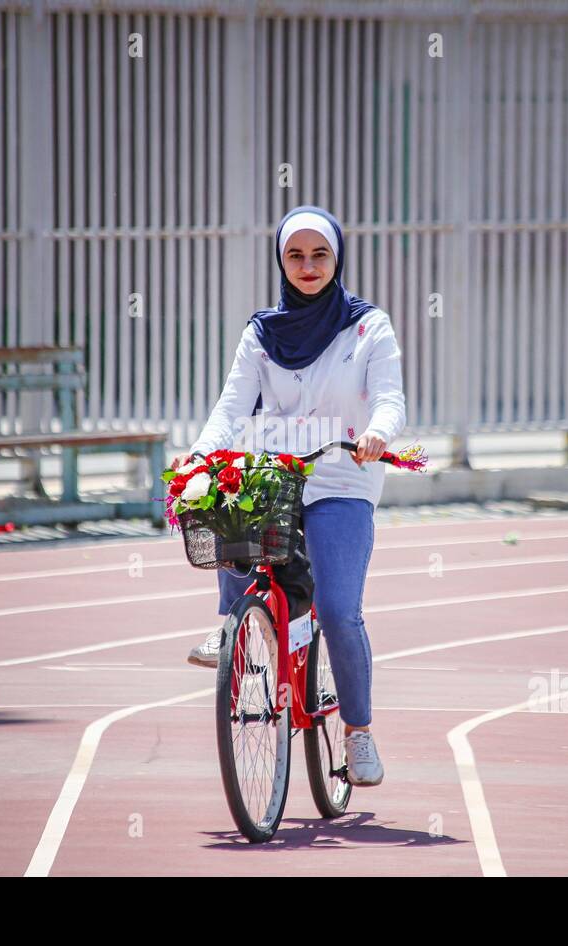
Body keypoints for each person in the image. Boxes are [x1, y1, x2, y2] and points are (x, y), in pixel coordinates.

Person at [174, 205, 407, 786]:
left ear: (337, 258)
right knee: (222, 503)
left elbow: (389, 397)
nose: (308, 266)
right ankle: (233, 622)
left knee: (336, 609)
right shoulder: (261, 331)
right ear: (280, 259)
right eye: (295, 255)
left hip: (343, 477)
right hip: (276, 472)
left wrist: (379, 431)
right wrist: (201, 454)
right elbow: (232, 408)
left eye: (319, 254)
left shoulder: (367, 326)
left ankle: (358, 733)